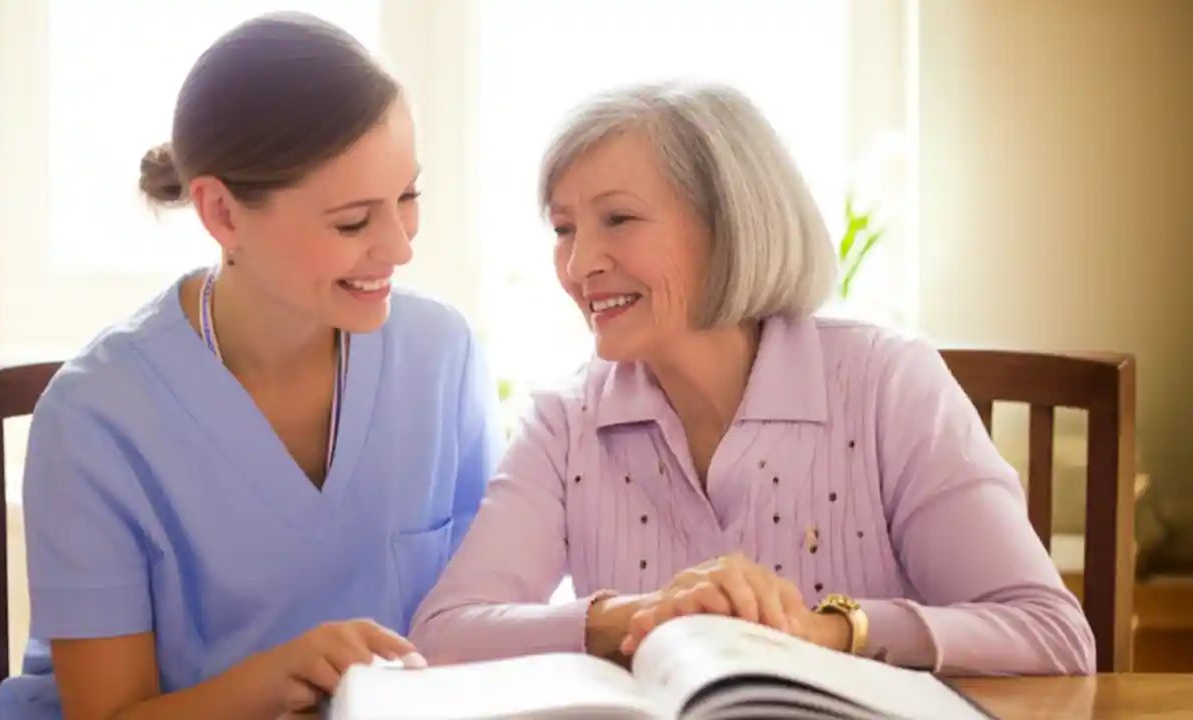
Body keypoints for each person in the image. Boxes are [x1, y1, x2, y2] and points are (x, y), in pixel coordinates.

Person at [410, 82, 1095, 676]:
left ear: (730, 221)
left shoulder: (887, 382)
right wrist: (642, 616)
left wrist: (820, 629)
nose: (581, 262)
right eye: (564, 229)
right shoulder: (565, 420)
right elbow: (444, 633)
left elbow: (1049, 633)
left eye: (618, 219)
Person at [0, 12, 502, 719]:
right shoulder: (94, 420)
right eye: (353, 221)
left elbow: (478, 619)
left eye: (408, 198)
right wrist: (279, 678)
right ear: (223, 214)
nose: (399, 246)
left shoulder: (442, 355)